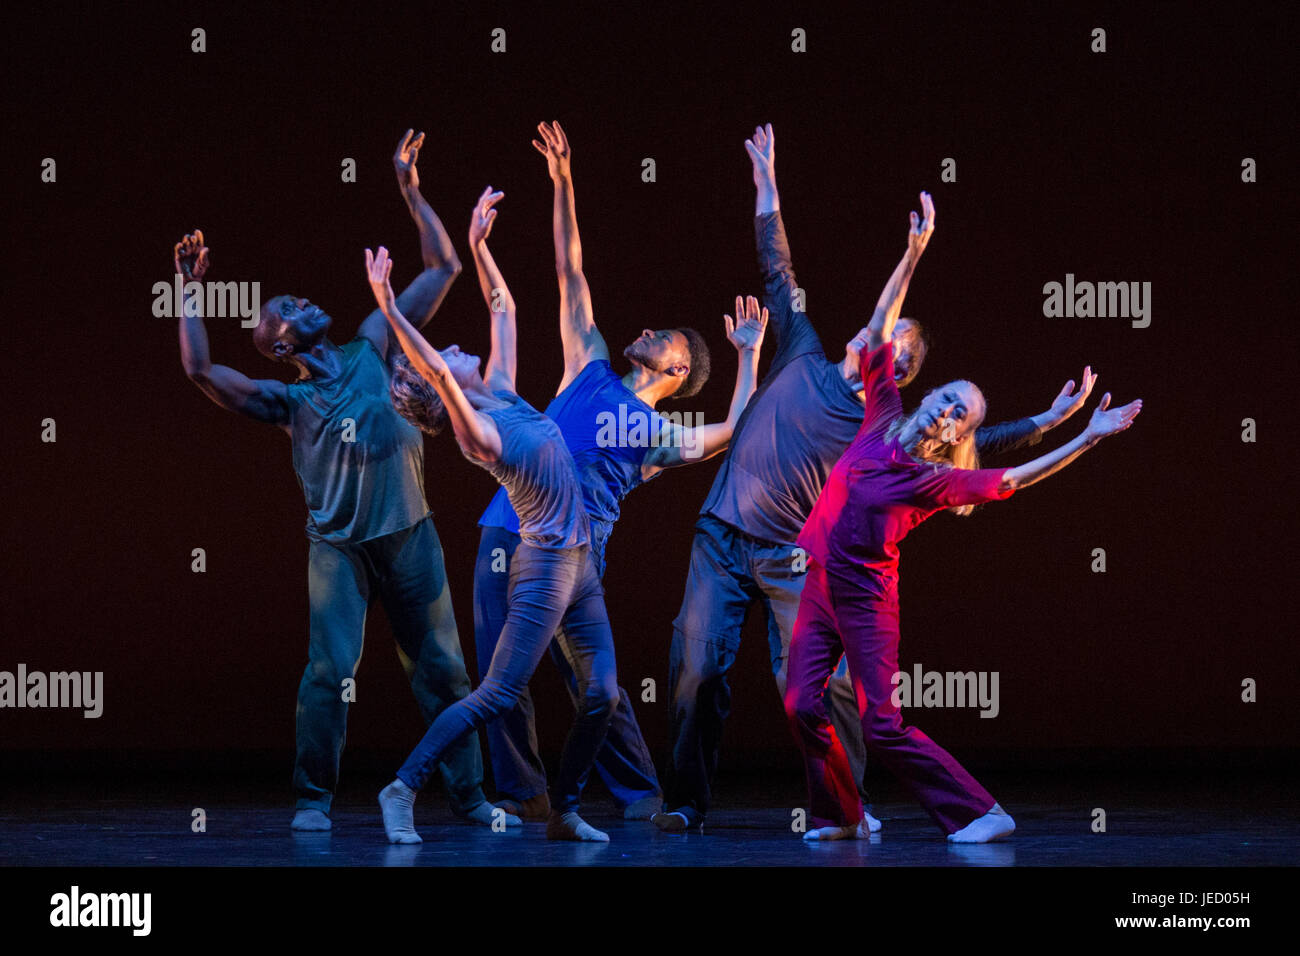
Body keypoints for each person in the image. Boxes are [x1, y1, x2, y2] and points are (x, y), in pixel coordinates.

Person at [657, 124, 1093, 832]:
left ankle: (844, 806)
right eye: (877, 328)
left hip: (795, 557)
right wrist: (767, 179)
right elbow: (778, 269)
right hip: (720, 534)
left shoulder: (882, 428)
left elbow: (972, 451)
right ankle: (683, 803)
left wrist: (1046, 420)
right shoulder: (799, 348)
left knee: (820, 689)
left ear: (896, 369)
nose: (872, 333)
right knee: (696, 672)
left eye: (891, 341)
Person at [174, 131, 509, 833]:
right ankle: (312, 799)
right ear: (284, 345)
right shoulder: (288, 402)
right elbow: (203, 374)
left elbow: (444, 265)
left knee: (445, 670)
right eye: (288, 308)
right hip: (338, 549)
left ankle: (472, 795)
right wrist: (186, 291)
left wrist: (409, 186)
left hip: (410, 534)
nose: (300, 300)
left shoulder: (372, 342)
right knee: (329, 671)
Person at [475, 121, 768, 822]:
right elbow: (569, 271)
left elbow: (737, 431)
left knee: (593, 684)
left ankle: (640, 795)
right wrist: (564, 182)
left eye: (663, 336)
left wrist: (749, 356)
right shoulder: (589, 366)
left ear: (674, 370)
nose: (648, 330)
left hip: (574, 554)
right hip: (506, 529)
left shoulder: (659, 434)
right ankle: (525, 796)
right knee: (500, 674)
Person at [785, 303, 1141, 842]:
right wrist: (914, 248)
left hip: (866, 601)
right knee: (801, 703)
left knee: (882, 727)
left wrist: (1085, 436)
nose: (949, 413)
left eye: (962, 417)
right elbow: (881, 327)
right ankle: (842, 814)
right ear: (928, 395)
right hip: (820, 584)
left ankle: (982, 813)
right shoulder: (881, 416)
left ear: (957, 437)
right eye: (948, 399)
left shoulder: (935, 479)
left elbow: (1014, 478)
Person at [371, 188, 620, 843]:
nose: (456, 348)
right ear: (436, 384)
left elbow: (503, 308)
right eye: (443, 358)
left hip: (581, 563)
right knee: (498, 694)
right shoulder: (479, 434)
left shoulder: (502, 390)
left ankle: (564, 812)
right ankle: (401, 788)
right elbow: (439, 372)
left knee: (604, 694)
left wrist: (480, 247)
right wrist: (391, 308)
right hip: (542, 571)